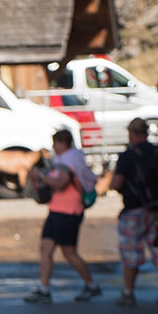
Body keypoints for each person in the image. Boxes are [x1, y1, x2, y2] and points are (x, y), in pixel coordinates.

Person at [24, 128, 101, 303]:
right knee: (45, 248)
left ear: (63, 143)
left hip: (69, 212)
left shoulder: (72, 158)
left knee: (69, 252)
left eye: (55, 143)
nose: (54, 147)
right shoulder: (62, 159)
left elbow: (61, 183)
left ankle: (92, 285)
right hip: (57, 210)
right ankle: (44, 290)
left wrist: (40, 177)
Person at [111, 118, 158, 308]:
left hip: (133, 211)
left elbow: (116, 183)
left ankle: (128, 293)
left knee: (131, 253)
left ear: (131, 133)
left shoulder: (127, 156)